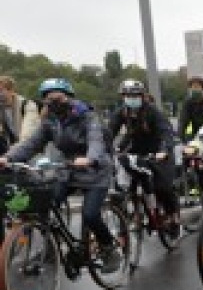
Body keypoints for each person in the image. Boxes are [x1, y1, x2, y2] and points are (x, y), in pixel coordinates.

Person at [0, 78, 122, 273]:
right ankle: (51, 249)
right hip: (68, 170)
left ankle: (109, 249)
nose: (53, 101)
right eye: (48, 98)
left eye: (58, 96)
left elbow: (96, 139)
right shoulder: (50, 121)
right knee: (45, 204)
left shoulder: (87, 116)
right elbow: (31, 144)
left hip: (95, 171)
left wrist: (90, 158)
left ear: (69, 97)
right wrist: (7, 158)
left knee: (90, 214)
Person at [109, 79, 181, 227]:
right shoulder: (122, 112)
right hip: (136, 152)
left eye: (135, 95)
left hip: (158, 152)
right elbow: (109, 132)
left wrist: (164, 150)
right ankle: (131, 215)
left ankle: (172, 214)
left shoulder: (152, 111)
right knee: (122, 184)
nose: (131, 98)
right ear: (123, 97)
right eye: (128, 95)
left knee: (162, 186)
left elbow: (166, 132)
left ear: (142, 96)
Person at [0, 75, 41, 153]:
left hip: (31, 148)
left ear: (11, 91)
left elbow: (27, 134)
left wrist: (13, 152)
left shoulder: (27, 105)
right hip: (11, 147)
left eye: (1, 90)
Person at [178, 77, 203, 144]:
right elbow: (183, 120)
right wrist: (181, 138)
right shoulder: (188, 102)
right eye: (191, 88)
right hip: (196, 134)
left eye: (196, 87)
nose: (194, 89)